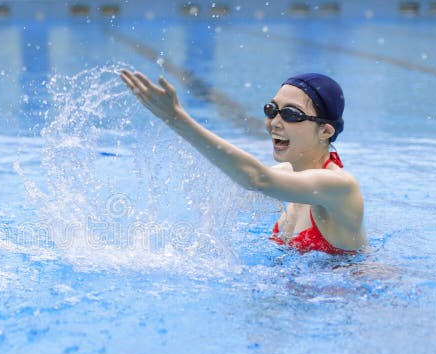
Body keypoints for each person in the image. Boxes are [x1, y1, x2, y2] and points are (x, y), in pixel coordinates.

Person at [120, 69, 366, 254]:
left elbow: (256, 178)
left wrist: (177, 119)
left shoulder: (339, 187)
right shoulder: (286, 175)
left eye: (291, 114)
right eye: (271, 110)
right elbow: (230, 188)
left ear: (325, 131)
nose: (275, 122)